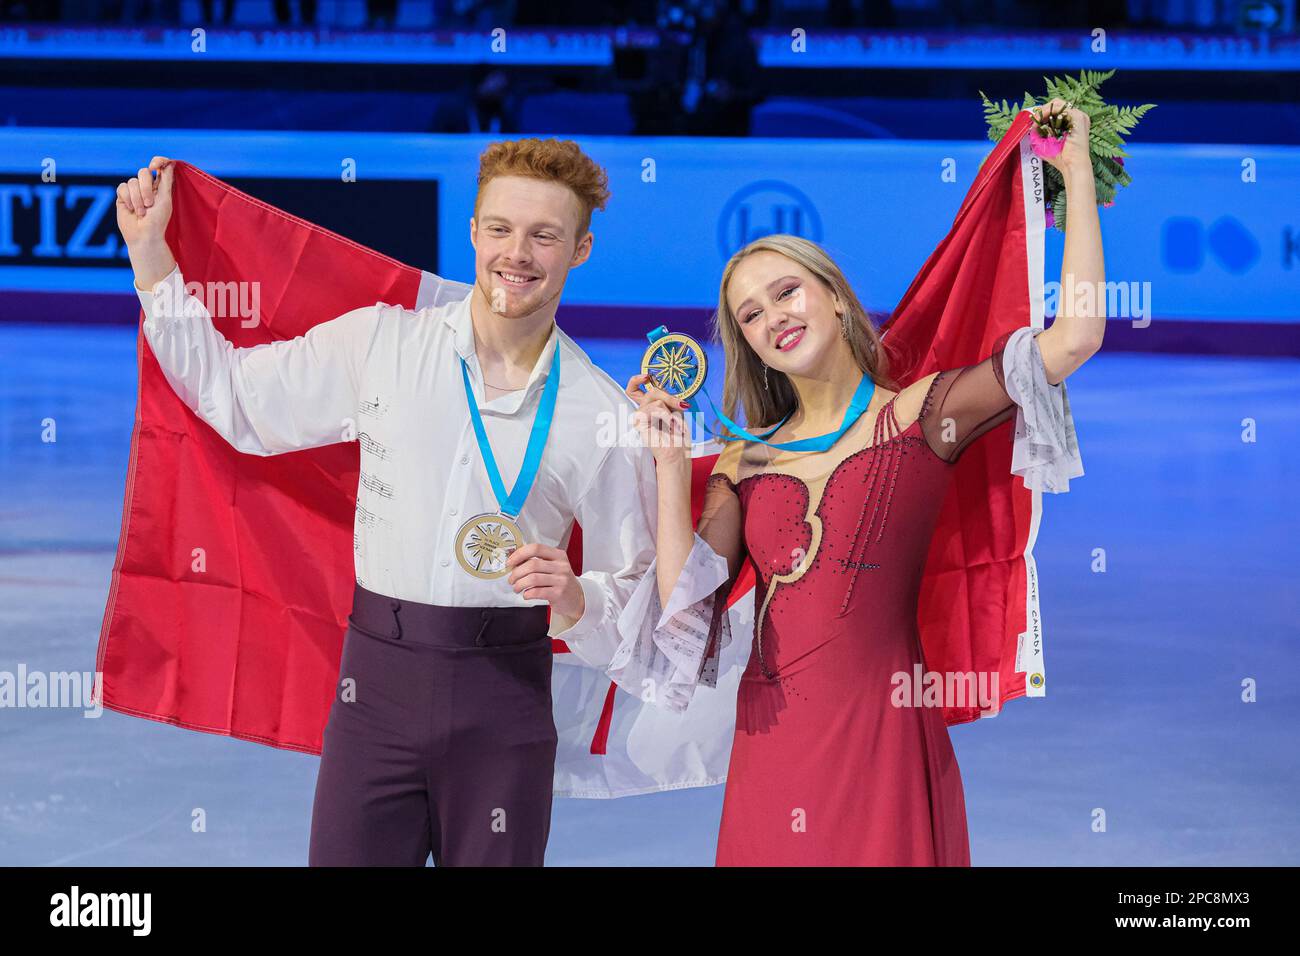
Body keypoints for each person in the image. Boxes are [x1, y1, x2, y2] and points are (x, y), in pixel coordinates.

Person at [113, 139, 656, 866]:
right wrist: (154, 264)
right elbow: (237, 400)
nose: (516, 253)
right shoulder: (382, 345)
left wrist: (579, 599)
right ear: (472, 230)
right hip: (371, 690)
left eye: (544, 235)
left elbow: (637, 592)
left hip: (505, 699)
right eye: (500, 228)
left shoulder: (597, 411)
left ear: (580, 249)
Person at [622, 99, 1102, 865]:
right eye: (749, 315)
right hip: (771, 745)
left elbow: (1071, 339)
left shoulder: (921, 416)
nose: (772, 316)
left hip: (885, 736)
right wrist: (672, 461)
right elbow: (686, 611)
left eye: (786, 291)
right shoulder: (746, 463)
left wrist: (1072, 170)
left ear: (835, 296)